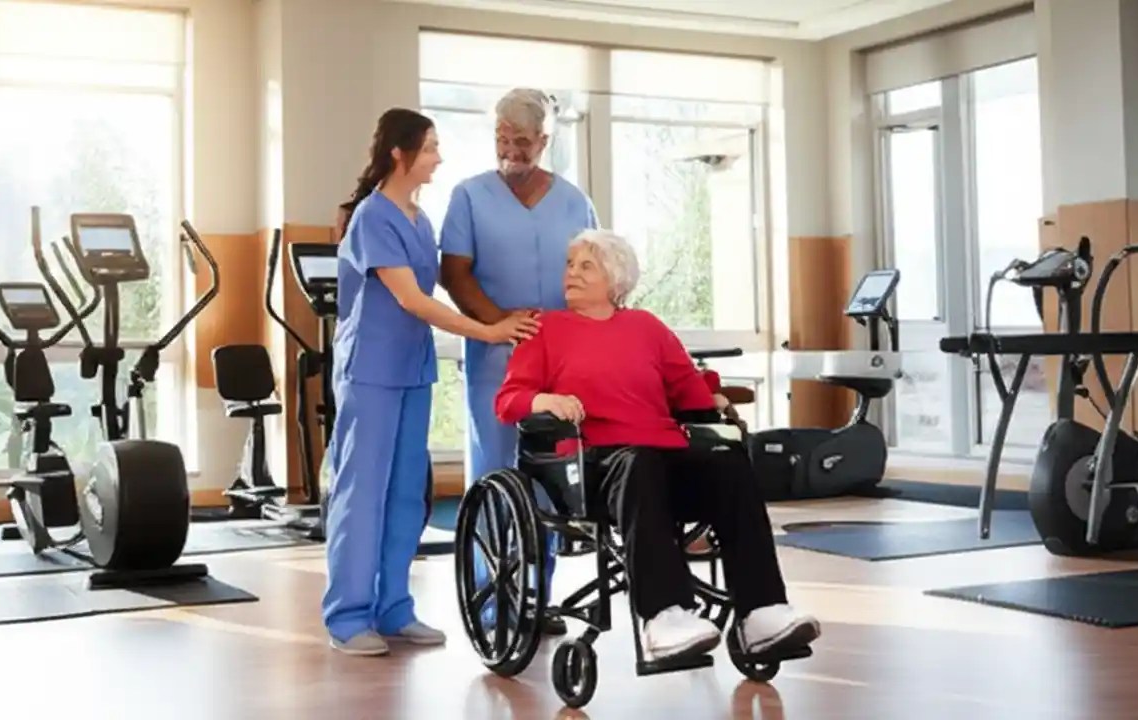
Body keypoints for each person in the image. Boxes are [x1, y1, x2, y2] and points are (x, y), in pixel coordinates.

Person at [494, 229, 821, 661]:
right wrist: (545, 399)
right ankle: (663, 616)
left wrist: (712, 398)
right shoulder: (546, 329)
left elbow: (685, 385)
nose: (571, 272)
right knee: (640, 463)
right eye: (569, 264)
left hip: (661, 456)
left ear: (615, 279)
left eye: (585, 265)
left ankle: (761, 612)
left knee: (729, 464)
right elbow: (508, 400)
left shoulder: (645, 327)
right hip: (594, 464)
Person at [323, 108, 540, 657]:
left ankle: (394, 607)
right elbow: (413, 300)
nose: (439, 158)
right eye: (430, 148)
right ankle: (348, 615)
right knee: (362, 492)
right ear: (400, 153)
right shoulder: (373, 216)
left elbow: (434, 292)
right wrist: (489, 329)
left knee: (405, 495)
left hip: (412, 370)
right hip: (369, 372)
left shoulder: (419, 219)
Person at [439, 88, 598, 634]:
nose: (510, 152)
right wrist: (500, 324)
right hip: (494, 356)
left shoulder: (575, 201)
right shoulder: (469, 196)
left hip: (561, 359)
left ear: (544, 141)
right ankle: (494, 594)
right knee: (496, 472)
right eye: (502, 140)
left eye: (522, 142)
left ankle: (539, 597)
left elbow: (593, 269)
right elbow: (454, 272)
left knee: (549, 477)